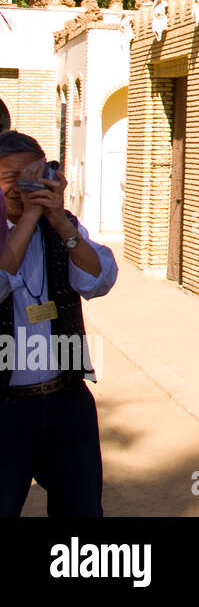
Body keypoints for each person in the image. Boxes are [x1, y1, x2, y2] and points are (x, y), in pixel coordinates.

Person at [0, 130, 118, 516]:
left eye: (29, 176)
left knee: (81, 510)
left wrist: (58, 221)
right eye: (9, 178)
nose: (21, 189)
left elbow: (99, 279)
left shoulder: (60, 225)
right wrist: (31, 216)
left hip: (66, 401)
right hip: (5, 408)